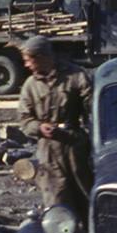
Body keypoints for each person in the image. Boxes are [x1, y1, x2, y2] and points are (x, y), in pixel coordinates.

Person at [18, 36, 94, 215]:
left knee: (87, 200)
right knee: (56, 206)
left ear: (41, 57)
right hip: (48, 155)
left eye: (29, 60)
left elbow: (93, 109)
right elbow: (25, 120)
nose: (27, 65)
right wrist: (39, 127)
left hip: (76, 151)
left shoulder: (76, 76)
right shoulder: (31, 86)